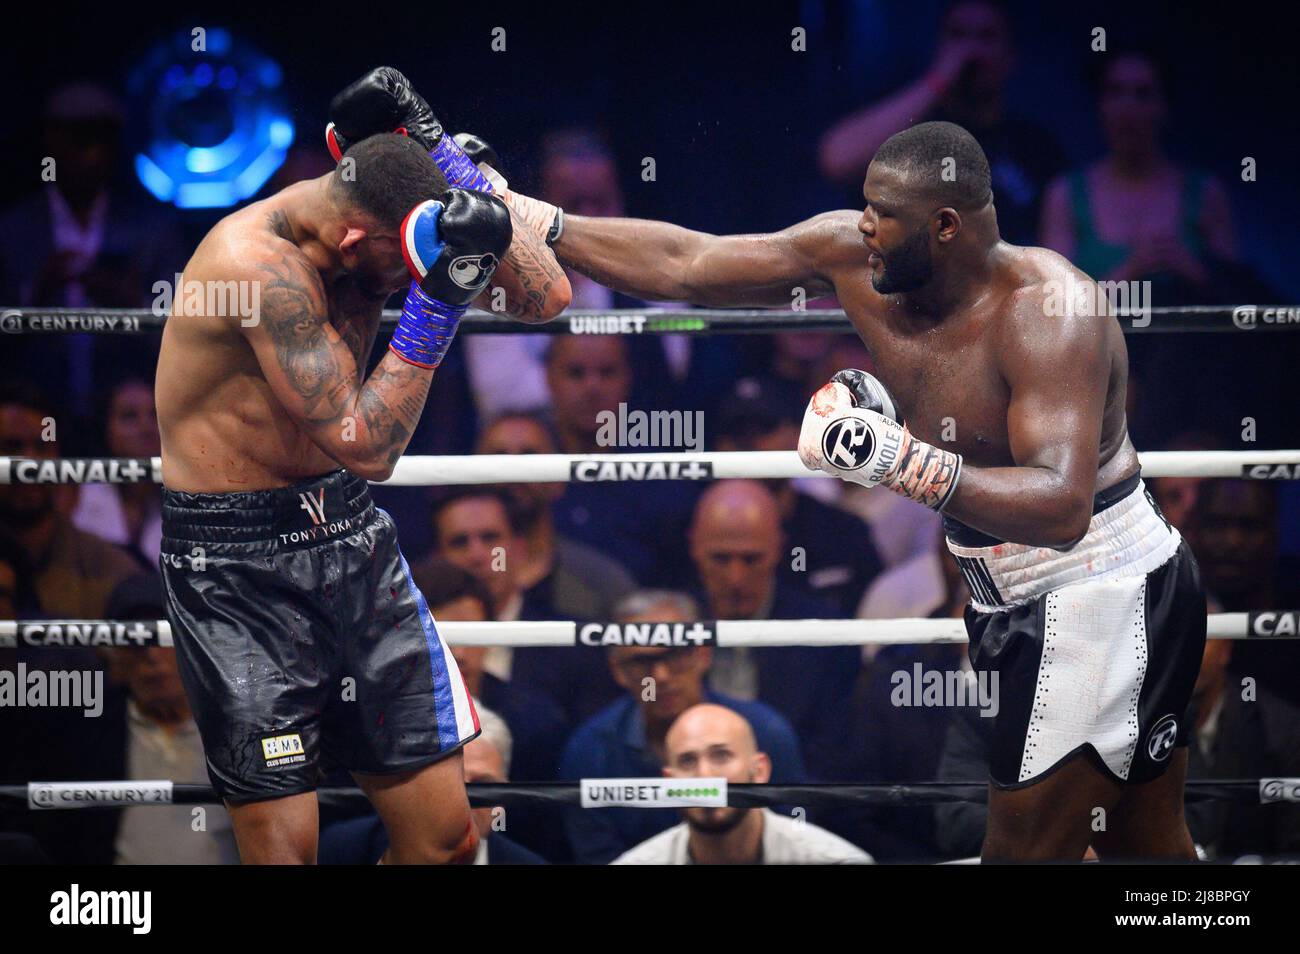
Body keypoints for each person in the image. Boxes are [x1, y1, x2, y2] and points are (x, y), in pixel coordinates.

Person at [500, 119, 1206, 861]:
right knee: (1148, 848)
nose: (863, 225)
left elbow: (1061, 507)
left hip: (1098, 592)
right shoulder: (851, 255)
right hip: (1020, 596)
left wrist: (898, 460)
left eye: (884, 214)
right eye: (865, 204)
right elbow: (688, 262)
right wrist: (541, 223)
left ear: (944, 226)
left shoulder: (1048, 312)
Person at [154, 69, 567, 865]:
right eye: (403, 265)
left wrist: (448, 160)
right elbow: (369, 445)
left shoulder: (387, 217)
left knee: (447, 842)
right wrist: (439, 299)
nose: (411, 277)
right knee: (287, 855)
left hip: (349, 538)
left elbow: (546, 296)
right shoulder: (255, 267)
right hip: (237, 571)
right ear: (353, 242)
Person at [561, 591, 806, 864]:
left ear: (703, 654)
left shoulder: (765, 732)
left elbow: (793, 839)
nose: (661, 676)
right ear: (618, 670)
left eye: (675, 655)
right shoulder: (590, 751)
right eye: (642, 662)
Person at [818, 0, 1065, 244]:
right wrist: (939, 79)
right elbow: (837, 158)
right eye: (958, 35)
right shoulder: (909, 129)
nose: (971, 50)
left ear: (1010, 55)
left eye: (986, 36)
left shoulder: (1036, 148)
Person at [612, 704, 870, 865]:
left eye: (721, 756)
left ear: (759, 771)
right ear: (669, 783)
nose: (705, 776)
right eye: (688, 761)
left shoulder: (835, 861)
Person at [72, 378, 164, 570]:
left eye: (155, 415)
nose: (147, 427)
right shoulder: (76, 497)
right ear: (106, 429)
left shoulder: (185, 502)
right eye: (130, 416)